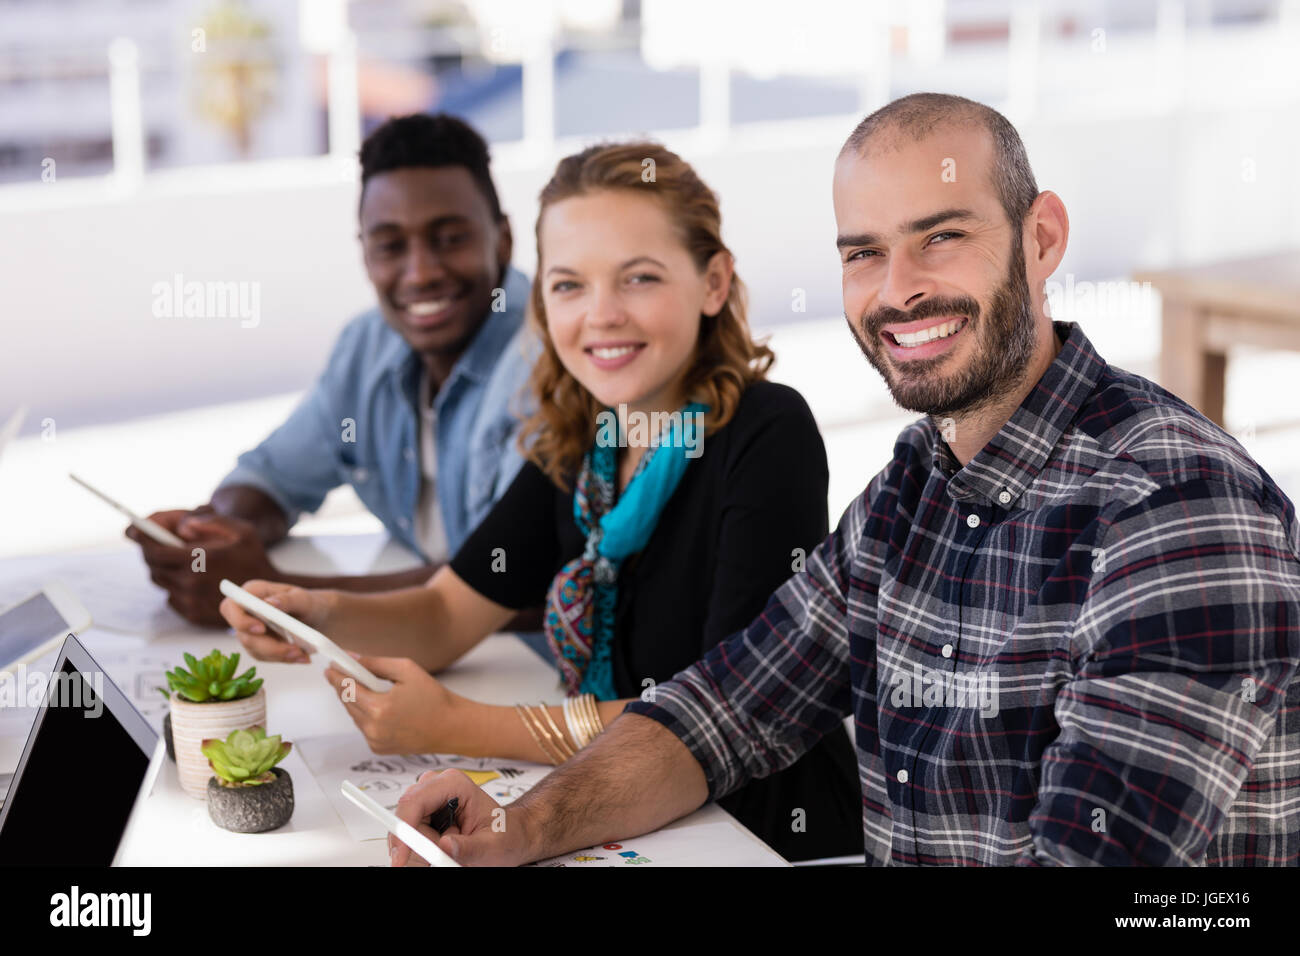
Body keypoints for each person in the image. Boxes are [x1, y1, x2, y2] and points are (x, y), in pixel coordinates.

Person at [386, 93, 1300, 868]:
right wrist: (523, 823)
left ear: (1042, 238)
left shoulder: (1178, 510)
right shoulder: (914, 485)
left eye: (940, 237)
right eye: (863, 252)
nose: (897, 290)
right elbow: (722, 712)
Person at [220, 141, 864, 862]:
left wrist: (457, 725)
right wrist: (315, 614)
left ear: (713, 283)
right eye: (568, 286)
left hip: (762, 834)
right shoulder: (580, 435)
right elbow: (444, 613)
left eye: (640, 278)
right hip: (624, 811)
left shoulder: (767, 434)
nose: (602, 316)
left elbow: (724, 708)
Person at [128, 114, 536, 626]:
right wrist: (212, 533)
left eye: (450, 238)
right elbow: (271, 477)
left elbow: (521, 581)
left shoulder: (547, 358)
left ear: (503, 240)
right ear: (365, 255)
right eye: (390, 245)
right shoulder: (367, 345)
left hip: (529, 672)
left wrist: (274, 597)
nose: (421, 272)